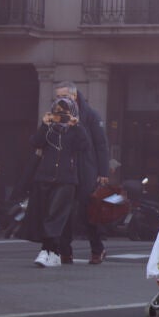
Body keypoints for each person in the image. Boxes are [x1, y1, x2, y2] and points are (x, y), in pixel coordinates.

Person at [25, 96, 92, 267]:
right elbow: (36, 143)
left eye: (65, 113)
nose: (60, 116)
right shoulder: (49, 130)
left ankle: (44, 250)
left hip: (66, 179)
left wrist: (76, 125)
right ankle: (53, 252)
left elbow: (85, 146)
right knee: (45, 214)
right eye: (57, 112)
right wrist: (44, 124)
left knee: (54, 214)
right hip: (45, 177)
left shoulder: (74, 130)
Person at [55, 81, 111, 264]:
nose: (60, 100)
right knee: (64, 211)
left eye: (64, 96)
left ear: (74, 96)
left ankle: (97, 248)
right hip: (65, 170)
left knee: (88, 211)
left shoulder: (90, 115)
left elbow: (101, 145)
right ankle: (65, 251)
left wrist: (103, 171)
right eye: (57, 97)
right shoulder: (57, 116)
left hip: (86, 169)